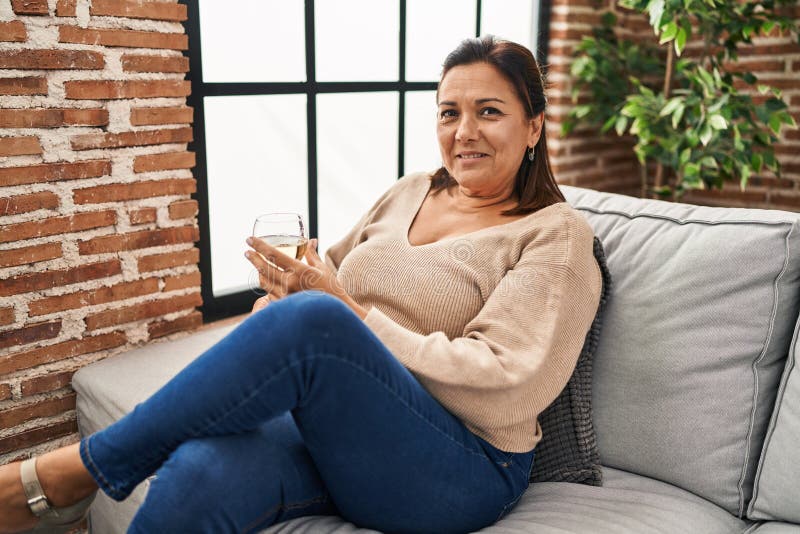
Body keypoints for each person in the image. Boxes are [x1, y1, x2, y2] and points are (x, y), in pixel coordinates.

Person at [0, 35, 601, 534]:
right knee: (199, 472)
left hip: (463, 465)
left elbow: (505, 388)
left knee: (315, 321)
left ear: (533, 128)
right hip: (343, 425)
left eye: (488, 111)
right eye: (449, 112)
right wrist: (290, 297)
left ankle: (72, 474)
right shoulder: (414, 188)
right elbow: (332, 278)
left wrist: (334, 315)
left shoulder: (555, 236)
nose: (464, 131)